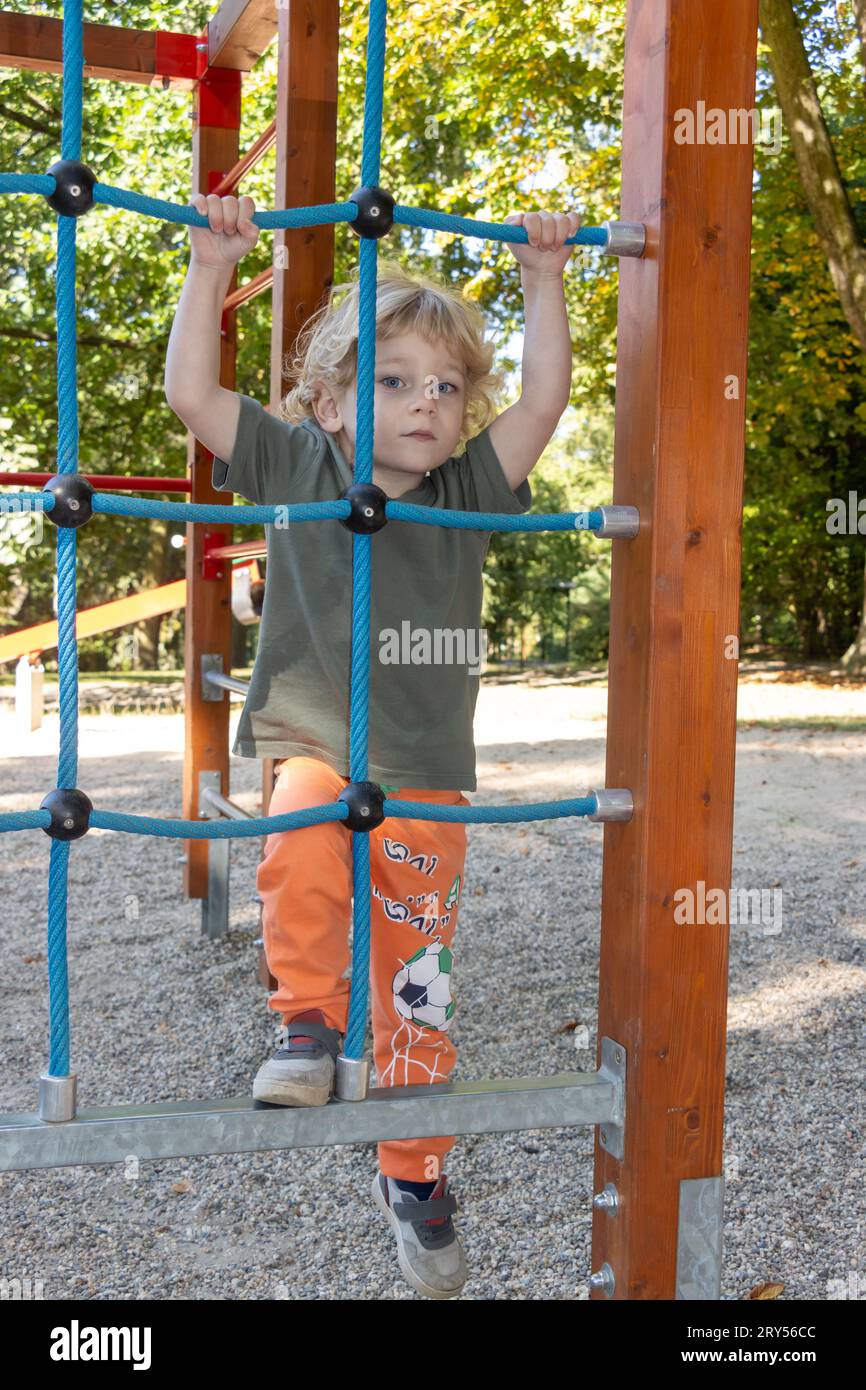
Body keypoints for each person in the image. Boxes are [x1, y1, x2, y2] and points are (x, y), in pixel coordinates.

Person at [164, 192, 580, 1299]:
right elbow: (192, 394)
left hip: (424, 771)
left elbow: (546, 398)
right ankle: (304, 1026)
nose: (427, 403)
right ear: (329, 401)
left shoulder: (467, 491)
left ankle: (416, 1172)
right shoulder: (298, 466)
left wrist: (542, 276)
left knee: (416, 971)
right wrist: (212, 265)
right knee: (299, 853)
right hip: (314, 738)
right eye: (393, 381)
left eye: (445, 386)